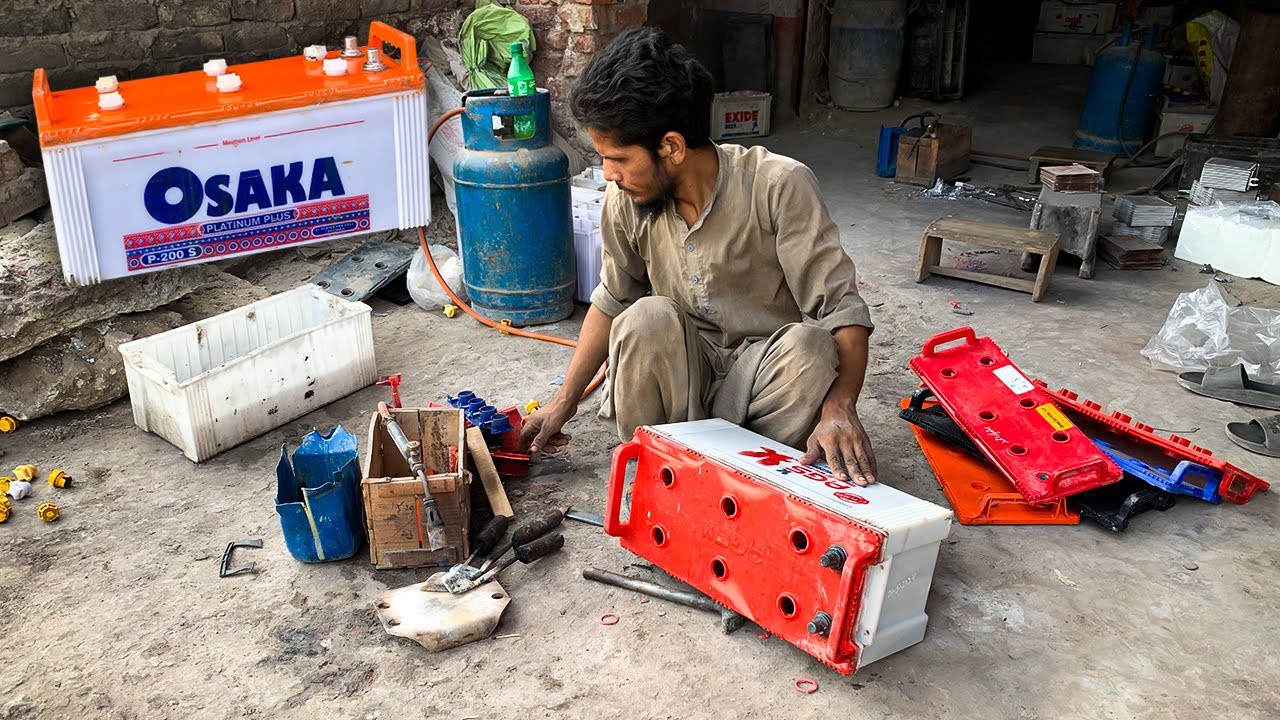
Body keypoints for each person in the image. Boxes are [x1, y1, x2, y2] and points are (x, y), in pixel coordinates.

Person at [518, 27, 878, 485]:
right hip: (678, 376)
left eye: (619, 159)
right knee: (644, 318)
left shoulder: (779, 185)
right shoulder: (623, 201)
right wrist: (563, 402)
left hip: (760, 379)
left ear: (671, 147)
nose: (608, 174)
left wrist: (840, 408)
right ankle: (663, 475)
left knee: (811, 348)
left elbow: (841, 310)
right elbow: (612, 300)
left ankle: (752, 477)